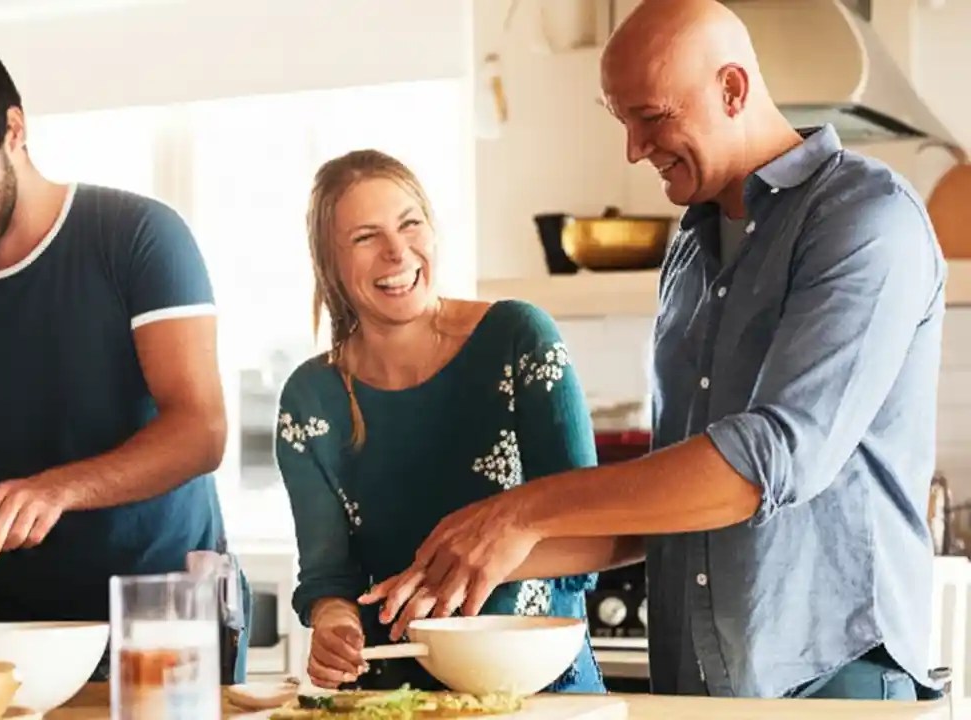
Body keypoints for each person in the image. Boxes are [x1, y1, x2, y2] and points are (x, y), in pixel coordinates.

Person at [362, 0, 947, 702]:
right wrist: (470, 561)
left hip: (832, 681)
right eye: (623, 121)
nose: (634, 149)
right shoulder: (694, 248)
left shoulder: (864, 218)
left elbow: (764, 464)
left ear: (732, 89)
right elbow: (673, 500)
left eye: (652, 117)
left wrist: (523, 511)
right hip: (697, 683)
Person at [0, 31, 249, 681]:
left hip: (165, 616)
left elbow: (202, 431)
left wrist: (58, 489)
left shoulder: (138, 239)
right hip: (21, 635)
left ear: (14, 129)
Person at [275, 148, 605, 693]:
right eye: (365, 238)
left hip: (541, 691)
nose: (396, 251)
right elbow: (329, 579)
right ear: (328, 263)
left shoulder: (520, 338)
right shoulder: (310, 400)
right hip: (396, 698)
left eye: (410, 224)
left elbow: (593, 531)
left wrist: (472, 560)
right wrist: (334, 624)